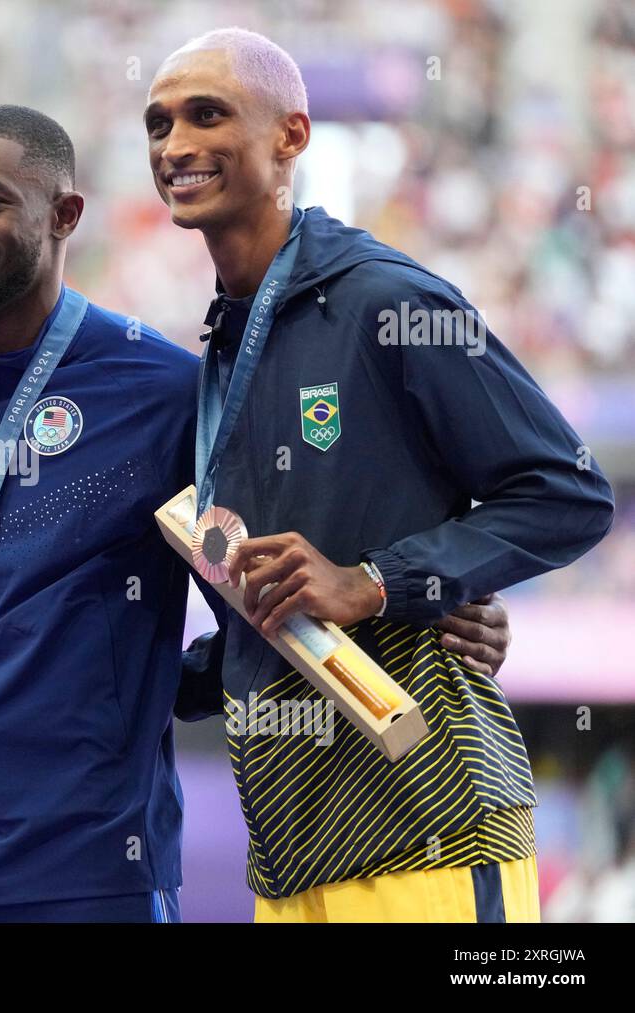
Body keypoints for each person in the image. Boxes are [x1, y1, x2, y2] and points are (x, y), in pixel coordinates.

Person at [0, 105, 513, 922]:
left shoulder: (159, 390)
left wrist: (432, 592)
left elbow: (269, 578)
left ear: (65, 217)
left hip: (96, 877)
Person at [149, 29, 614, 922]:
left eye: (207, 115)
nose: (174, 146)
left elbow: (570, 492)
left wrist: (376, 583)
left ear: (291, 135)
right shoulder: (222, 348)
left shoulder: (385, 298)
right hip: (291, 852)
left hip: (430, 831)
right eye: (158, 123)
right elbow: (279, 625)